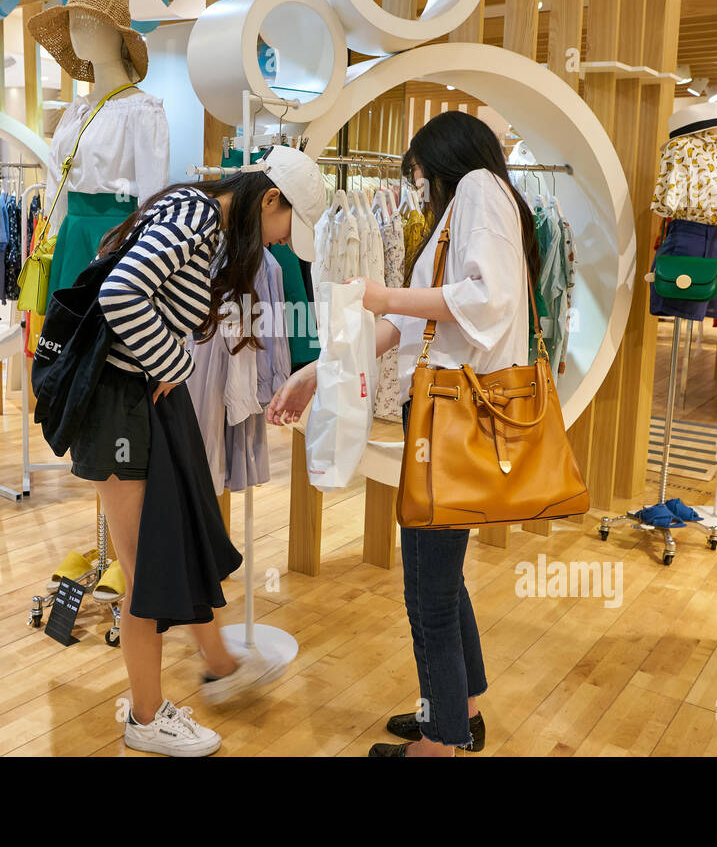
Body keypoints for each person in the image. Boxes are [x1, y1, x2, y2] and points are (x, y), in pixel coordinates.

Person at [267, 111, 542, 756]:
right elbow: (415, 328)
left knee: (428, 585)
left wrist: (384, 295)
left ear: (439, 160)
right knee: (440, 575)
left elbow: (483, 299)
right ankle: (458, 710)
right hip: (448, 413)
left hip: (452, 415)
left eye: (417, 173)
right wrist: (317, 371)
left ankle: (440, 740)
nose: (416, 187)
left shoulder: (477, 191)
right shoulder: (479, 201)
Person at [74, 145, 324, 757]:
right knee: (144, 574)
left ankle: (194, 673)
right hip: (121, 405)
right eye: (285, 226)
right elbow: (122, 295)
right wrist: (177, 361)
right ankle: (147, 716)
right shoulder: (196, 220)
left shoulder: (201, 218)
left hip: (138, 400)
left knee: (173, 546)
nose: (283, 244)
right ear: (269, 200)